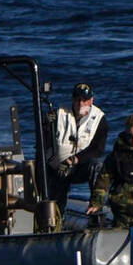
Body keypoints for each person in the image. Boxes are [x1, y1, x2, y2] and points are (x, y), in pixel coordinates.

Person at [48, 82, 108, 213]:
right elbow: (44, 143)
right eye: (77, 100)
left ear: (91, 100)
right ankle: (55, 219)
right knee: (55, 203)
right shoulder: (58, 114)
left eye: (84, 100)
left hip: (80, 166)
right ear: (72, 99)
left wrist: (75, 160)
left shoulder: (99, 119)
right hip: (57, 168)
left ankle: (95, 210)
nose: (80, 104)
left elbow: (97, 149)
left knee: (97, 166)